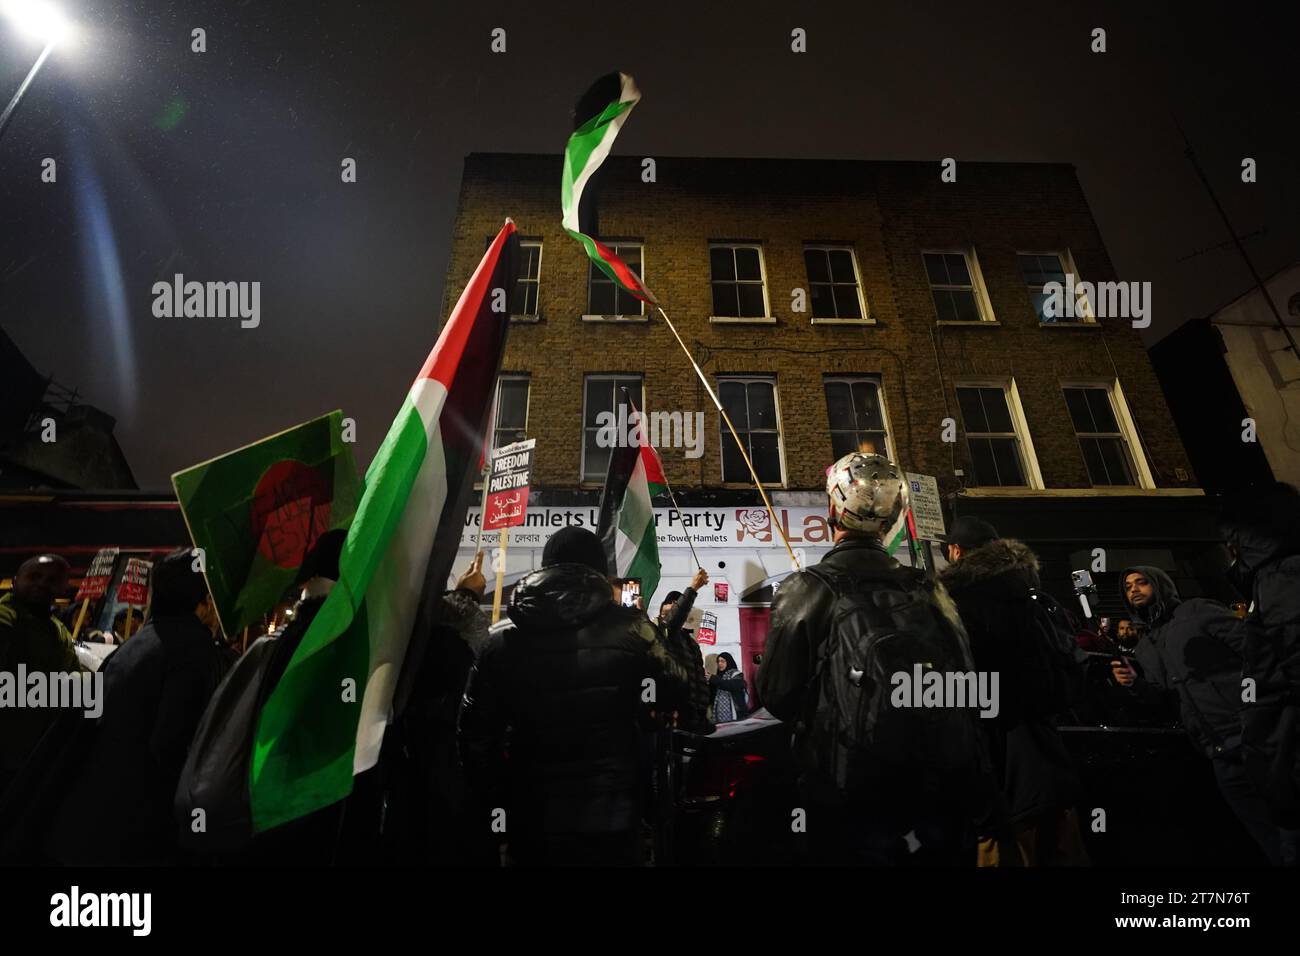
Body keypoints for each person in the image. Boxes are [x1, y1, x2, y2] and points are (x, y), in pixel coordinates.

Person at [759, 452, 990, 865]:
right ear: (892, 519)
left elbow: (778, 694)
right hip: (934, 795)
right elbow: (968, 682)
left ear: (833, 509)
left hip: (848, 792)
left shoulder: (807, 587)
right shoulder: (929, 587)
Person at [458, 526, 691, 866]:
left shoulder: (500, 641)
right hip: (612, 817)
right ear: (598, 571)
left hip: (533, 818)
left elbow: (475, 739)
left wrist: (498, 804)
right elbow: (677, 689)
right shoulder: (634, 629)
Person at [43, 548, 233, 865]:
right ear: (202, 602)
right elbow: (171, 746)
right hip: (138, 824)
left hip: (94, 815)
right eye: (211, 597)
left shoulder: (140, 641)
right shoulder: (192, 650)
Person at [1112, 566, 1298, 866]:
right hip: (1218, 753)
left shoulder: (1196, 611)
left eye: (1142, 582)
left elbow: (1256, 650)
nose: (1134, 589)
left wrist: (1259, 711)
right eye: (1128, 586)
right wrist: (1135, 684)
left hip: (1258, 738)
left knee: (1291, 827)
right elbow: (1164, 699)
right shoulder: (1145, 646)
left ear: (1161, 585)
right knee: (1266, 838)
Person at [939, 516, 1087, 866]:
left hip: (997, 772)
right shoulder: (1035, 599)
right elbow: (1072, 672)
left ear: (955, 551)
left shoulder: (954, 606)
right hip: (1048, 761)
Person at [0, 554, 81, 794]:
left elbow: (74, 679)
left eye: (52, 579)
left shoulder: (57, 629)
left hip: (36, 751)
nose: (43, 584)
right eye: (34, 576)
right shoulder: (5, 618)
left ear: (63, 587)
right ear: (15, 581)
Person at [656, 569, 714, 735]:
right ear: (662, 610)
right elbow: (672, 620)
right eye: (670, 602)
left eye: (677, 602)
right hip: (678, 712)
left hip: (699, 713)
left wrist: (704, 705)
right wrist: (693, 589)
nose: (674, 604)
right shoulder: (662, 631)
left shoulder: (690, 642)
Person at [709, 652, 749, 723]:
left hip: (737, 714)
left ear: (729, 661)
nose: (720, 663)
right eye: (718, 661)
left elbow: (731, 685)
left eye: (722, 661)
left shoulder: (736, 674)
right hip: (718, 715)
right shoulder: (717, 677)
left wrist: (714, 679)